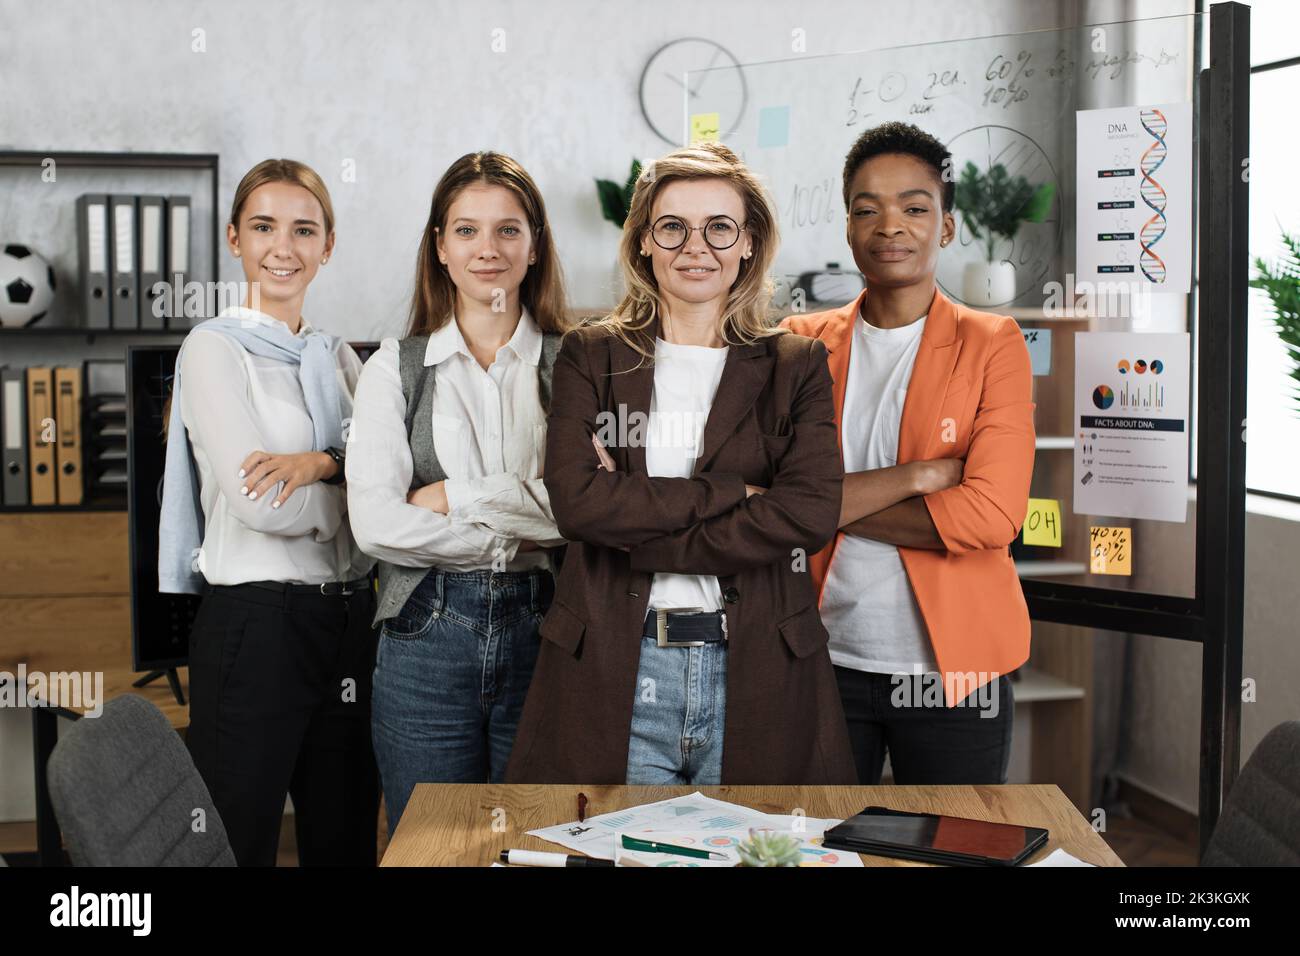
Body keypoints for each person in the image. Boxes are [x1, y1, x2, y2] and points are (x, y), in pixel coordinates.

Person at [505, 142, 856, 786]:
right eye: (673, 227)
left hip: (755, 665)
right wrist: (736, 492)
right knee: (623, 851)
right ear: (643, 241)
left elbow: (809, 514)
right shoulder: (591, 354)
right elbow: (580, 505)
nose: (697, 247)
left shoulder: (796, 364)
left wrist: (637, 525)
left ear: (749, 242)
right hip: (618, 662)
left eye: (720, 227)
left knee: (752, 853)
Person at [782, 121, 1036, 785]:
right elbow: (758, 490)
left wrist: (815, 508)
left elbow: (992, 517)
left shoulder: (994, 343)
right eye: (867, 209)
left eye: (915, 208)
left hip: (955, 676)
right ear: (847, 227)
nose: (889, 225)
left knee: (953, 850)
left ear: (946, 228)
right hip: (821, 661)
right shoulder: (798, 344)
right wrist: (916, 477)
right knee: (813, 851)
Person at [159, 158, 379, 865]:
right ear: (234, 238)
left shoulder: (341, 360)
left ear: (328, 245)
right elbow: (260, 504)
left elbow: (386, 485)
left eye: (303, 229)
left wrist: (319, 466)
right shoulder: (213, 350)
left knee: (342, 841)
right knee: (235, 842)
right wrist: (352, 495)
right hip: (257, 627)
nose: (283, 247)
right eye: (263, 227)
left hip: (350, 622)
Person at [346, 152, 568, 836]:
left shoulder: (578, 363)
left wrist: (453, 496)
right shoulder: (394, 367)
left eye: (508, 230)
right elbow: (376, 526)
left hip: (548, 629)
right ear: (440, 247)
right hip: (424, 635)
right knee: (430, 841)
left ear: (534, 246)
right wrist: (517, 525)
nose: (488, 249)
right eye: (466, 230)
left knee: (533, 841)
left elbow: (588, 507)